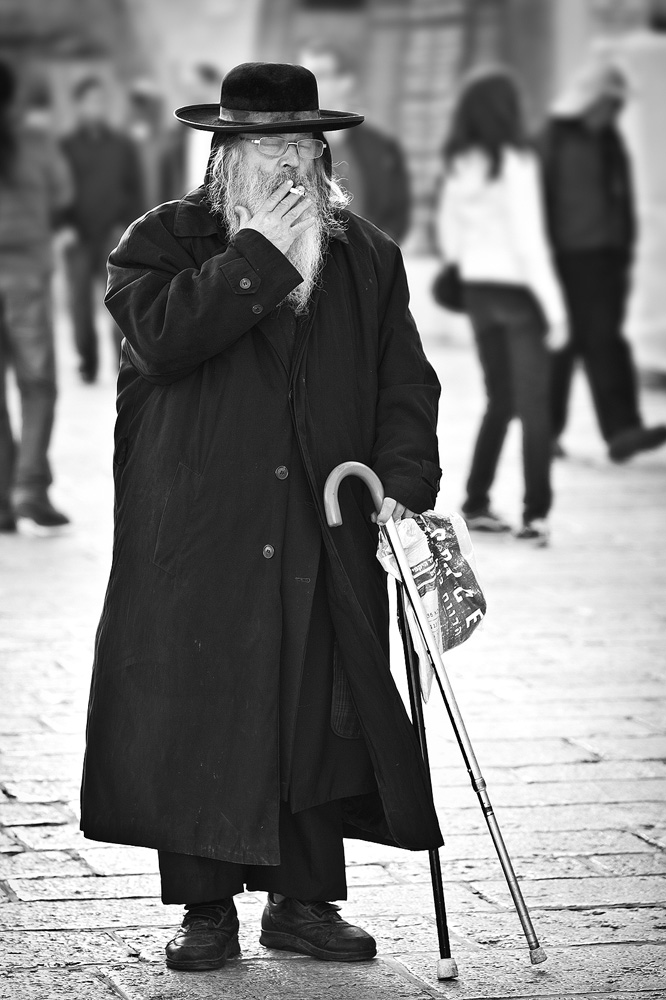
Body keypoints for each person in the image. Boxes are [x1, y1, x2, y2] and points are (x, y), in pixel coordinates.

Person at [80, 62, 443, 972]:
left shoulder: (365, 252)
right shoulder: (162, 241)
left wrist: (403, 478)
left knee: (315, 707)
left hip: (322, 515)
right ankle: (206, 910)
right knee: (200, 704)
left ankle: (304, 902)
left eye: (303, 144)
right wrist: (260, 262)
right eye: (266, 145)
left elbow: (406, 379)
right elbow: (161, 338)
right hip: (201, 521)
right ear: (223, 154)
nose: (289, 163)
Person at [437, 67, 568, 546]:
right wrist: (555, 310)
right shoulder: (516, 160)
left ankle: (476, 502)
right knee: (535, 407)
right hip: (517, 293)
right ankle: (536, 514)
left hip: (478, 292)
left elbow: (448, 237)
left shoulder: (458, 161)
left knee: (501, 400)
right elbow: (531, 242)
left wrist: (471, 263)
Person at [540, 61, 666, 462]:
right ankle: (546, 433)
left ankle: (621, 431)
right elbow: (535, 202)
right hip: (562, 260)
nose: (614, 113)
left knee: (607, 343)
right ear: (591, 103)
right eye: (610, 104)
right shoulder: (551, 140)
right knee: (561, 347)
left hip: (604, 260)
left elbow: (620, 197)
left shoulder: (609, 141)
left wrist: (624, 250)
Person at [0, 63, 73, 534]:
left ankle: (3, 501)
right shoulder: (34, 142)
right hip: (25, 273)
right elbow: (63, 193)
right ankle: (29, 487)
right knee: (37, 384)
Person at [61, 75, 144, 383]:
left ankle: (123, 360)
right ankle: (88, 362)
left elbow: (135, 190)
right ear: (80, 105)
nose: (98, 106)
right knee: (79, 306)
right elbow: (56, 191)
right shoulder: (66, 146)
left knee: (119, 304)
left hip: (114, 235)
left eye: (102, 100)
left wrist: (132, 228)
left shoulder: (122, 145)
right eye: (91, 100)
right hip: (79, 238)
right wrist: (63, 225)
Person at [299, 41, 411, 242]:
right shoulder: (290, 146)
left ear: (345, 82)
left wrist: (375, 255)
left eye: (319, 76)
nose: (307, 86)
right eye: (304, 77)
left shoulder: (381, 149)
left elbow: (397, 216)